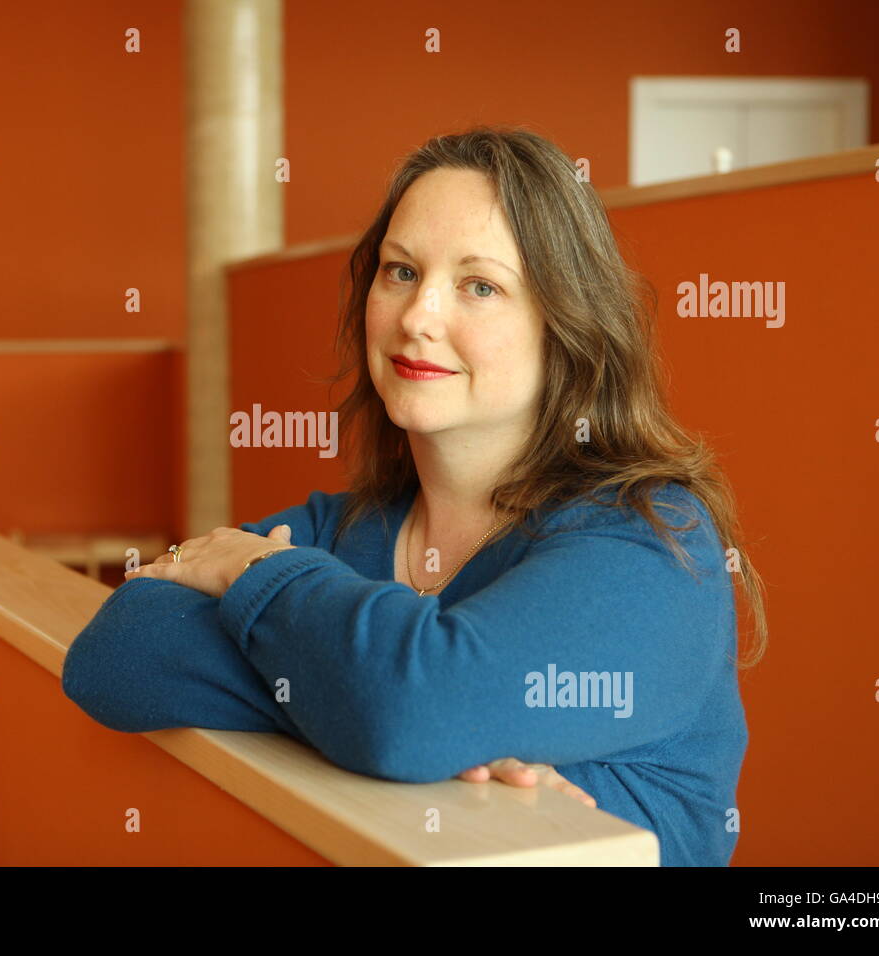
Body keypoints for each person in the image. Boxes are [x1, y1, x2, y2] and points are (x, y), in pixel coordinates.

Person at [62, 125, 767, 867]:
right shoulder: (344, 529)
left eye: (480, 285)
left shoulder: (653, 543)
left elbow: (410, 713)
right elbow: (119, 655)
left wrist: (261, 586)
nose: (417, 316)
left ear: (565, 327)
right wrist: (378, 706)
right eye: (400, 272)